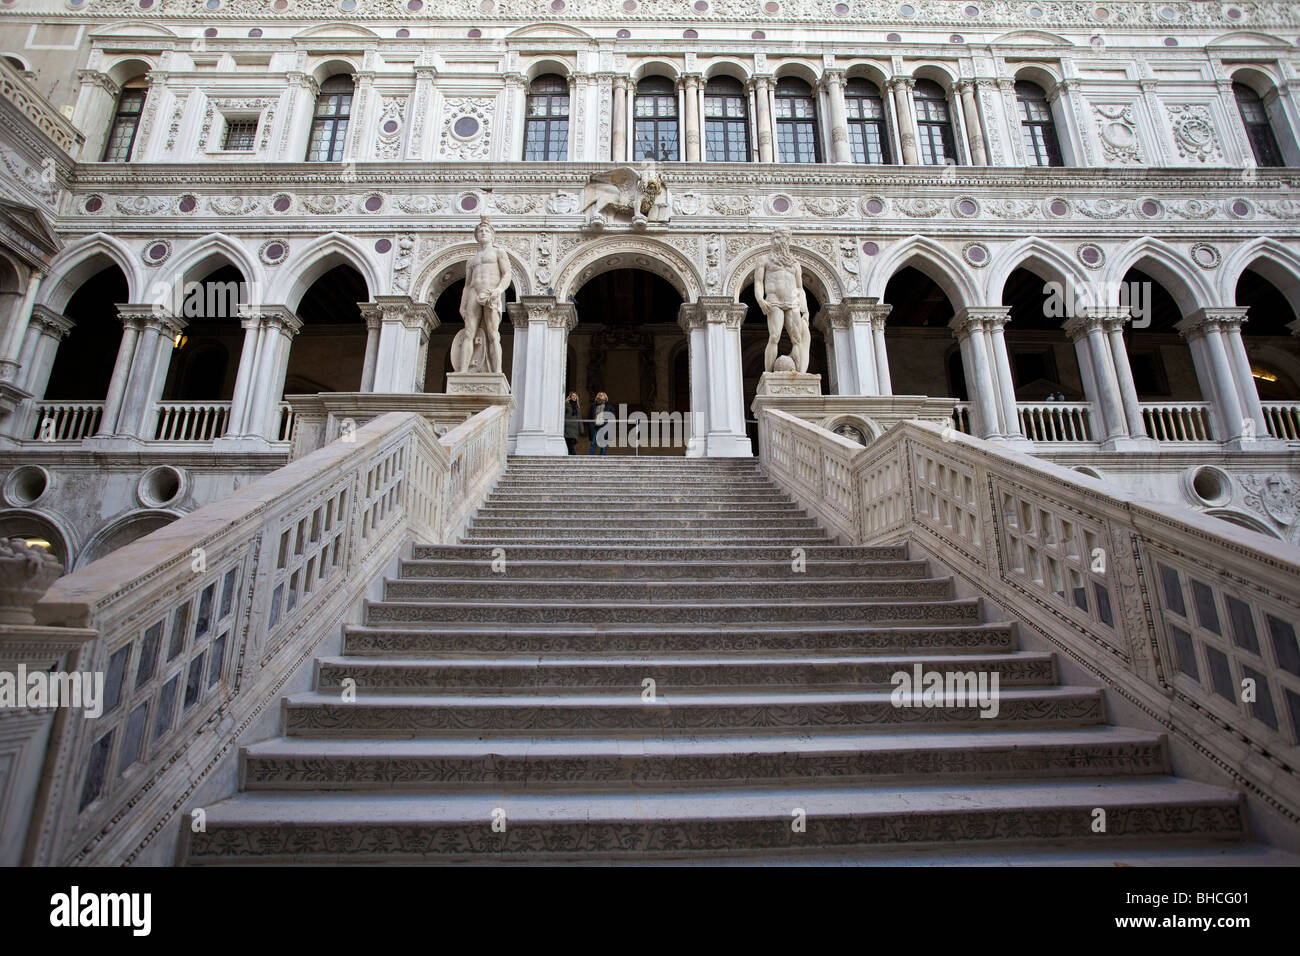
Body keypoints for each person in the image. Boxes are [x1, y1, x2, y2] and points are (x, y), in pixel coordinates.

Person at [589, 391, 615, 455]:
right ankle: (592, 458)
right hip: (595, 426)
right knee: (593, 443)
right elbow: (590, 416)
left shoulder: (609, 406)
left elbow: (613, 416)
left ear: (605, 397)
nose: (601, 395)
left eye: (602, 395)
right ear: (597, 397)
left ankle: (602, 458)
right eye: (599, 395)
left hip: (604, 426)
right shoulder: (594, 406)